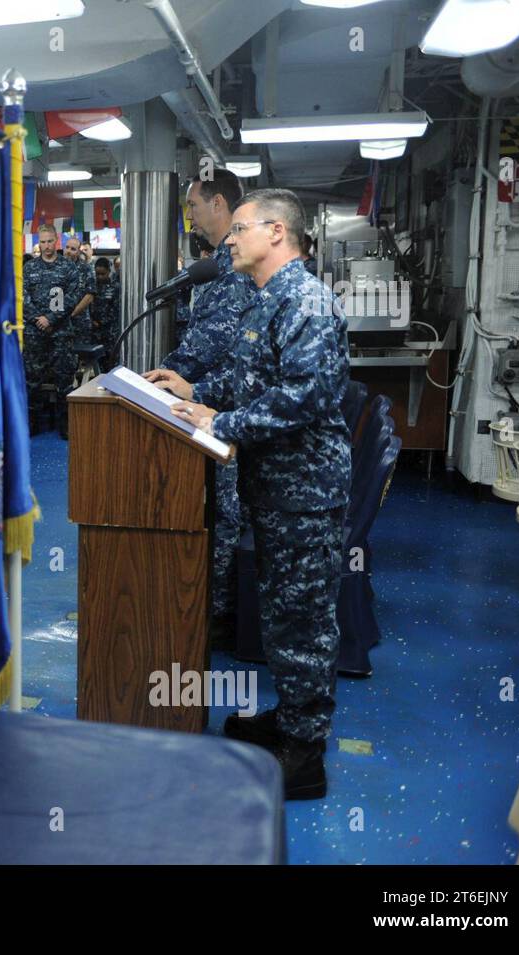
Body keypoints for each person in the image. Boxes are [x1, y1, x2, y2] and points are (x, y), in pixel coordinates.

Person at [145, 188, 351, 800]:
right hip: (277, 483)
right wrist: (196, 388)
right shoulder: (268, 301)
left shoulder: (307, 302)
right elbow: (251, 375)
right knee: (283, 612)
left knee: (304, 618)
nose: (229, 241)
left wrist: (221, 423)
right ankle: (289, 721)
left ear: (277, 234)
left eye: (239, 229)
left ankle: (306, 754)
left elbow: (305, 397)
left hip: (305, 490)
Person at [156, 169, 257, 647]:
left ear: (218, 204)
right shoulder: (217, 264)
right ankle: (216, 609)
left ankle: (216, 616)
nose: (190, 215)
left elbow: (212, 345)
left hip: (223, 409)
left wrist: (167, 378)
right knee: (219, 512)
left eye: (194, 206)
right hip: (214, 402)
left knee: (223, 513)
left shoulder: (230, 269)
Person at [23, 225, 92, 438]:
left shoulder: (68, 268)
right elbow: (23, 297)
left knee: (64, 379)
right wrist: (39, 319)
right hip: (35, 333)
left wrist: (51, 318)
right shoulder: (29, 268)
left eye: (50, 241)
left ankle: (65, 424)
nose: (46, 246)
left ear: (56, 242)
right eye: (42, 242)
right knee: (32, 380)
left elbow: (72, 297)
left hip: (61, 332)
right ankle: (31, 422)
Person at [88, 256, 119, 360]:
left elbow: (115, 309)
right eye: (97, 274)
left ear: (109, 271)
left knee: (111, 360)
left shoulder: (115, 287)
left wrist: (102, 322)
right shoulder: (92, 287)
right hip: (95, 332)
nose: (100, 277)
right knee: (98, 362)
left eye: (103, 274)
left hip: (110, 331)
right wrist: (92, 321)